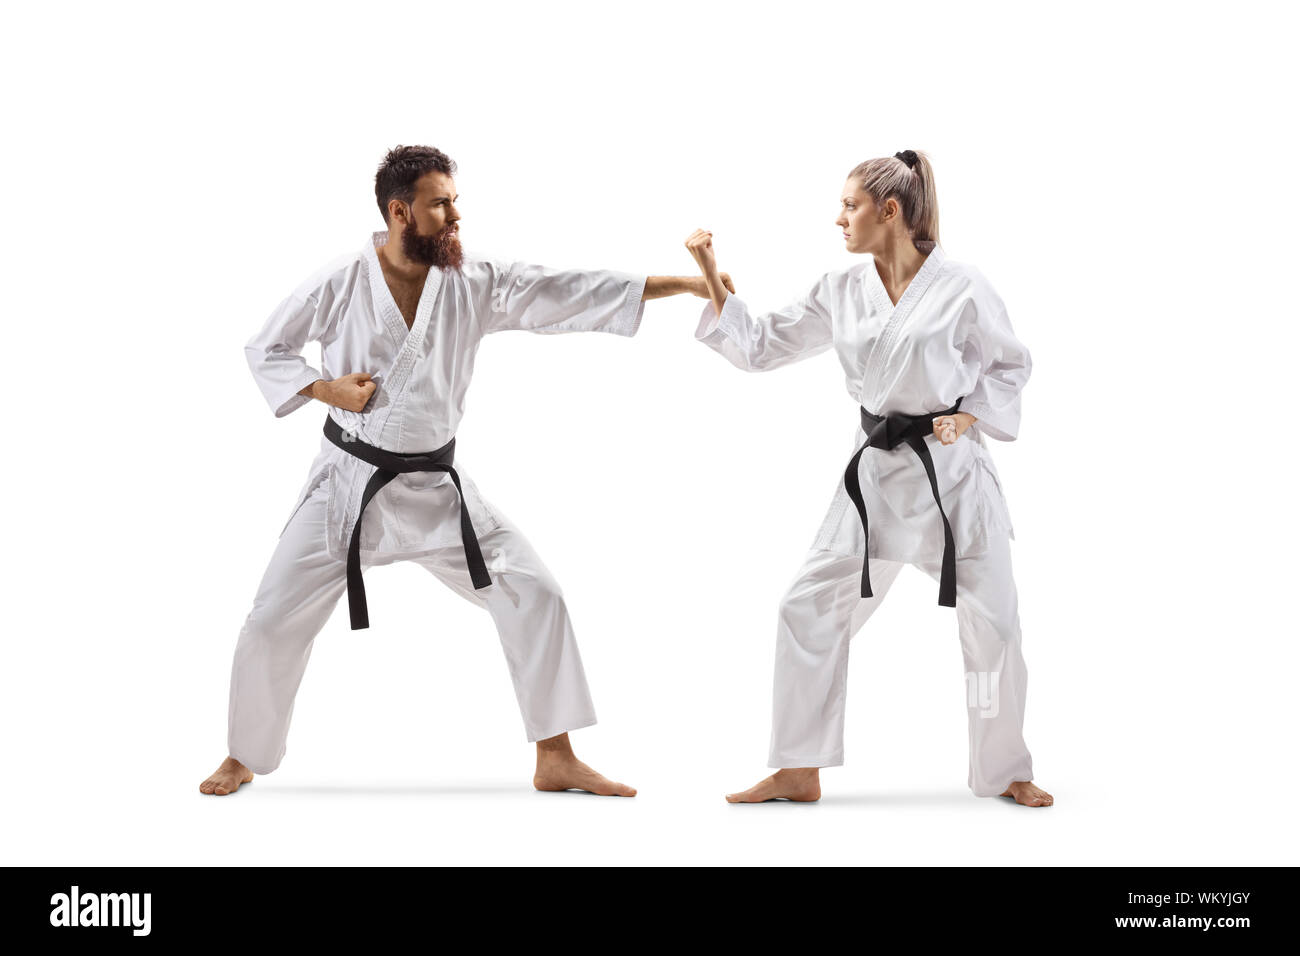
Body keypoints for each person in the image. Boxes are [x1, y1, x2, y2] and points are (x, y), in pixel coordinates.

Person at [200, 145, 729, 797]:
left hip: (437, 491)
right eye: (440, 203)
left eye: (455, 200)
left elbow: (565, 289)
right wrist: (322, 389)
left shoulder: (474, 279)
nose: (455, 214)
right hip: (347, 486)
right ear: (401, 212)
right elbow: (266, 346)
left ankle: (556, 754)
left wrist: (684, 285)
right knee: (271, 617)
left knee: (536, 593)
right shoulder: (340, 280)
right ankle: (242, 754)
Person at [684, 149, 1053, 807]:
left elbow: (1011, 367)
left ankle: (1004, 770)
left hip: (952, 486)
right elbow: (763, 345)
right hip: (874, 483)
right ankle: (798, 767)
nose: (839, 219)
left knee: (993, 626)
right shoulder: (841, 290)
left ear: (890, 212)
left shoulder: (964, 287)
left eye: (849, 205)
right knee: (806, 606)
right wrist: (710, 275)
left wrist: (968, 416)